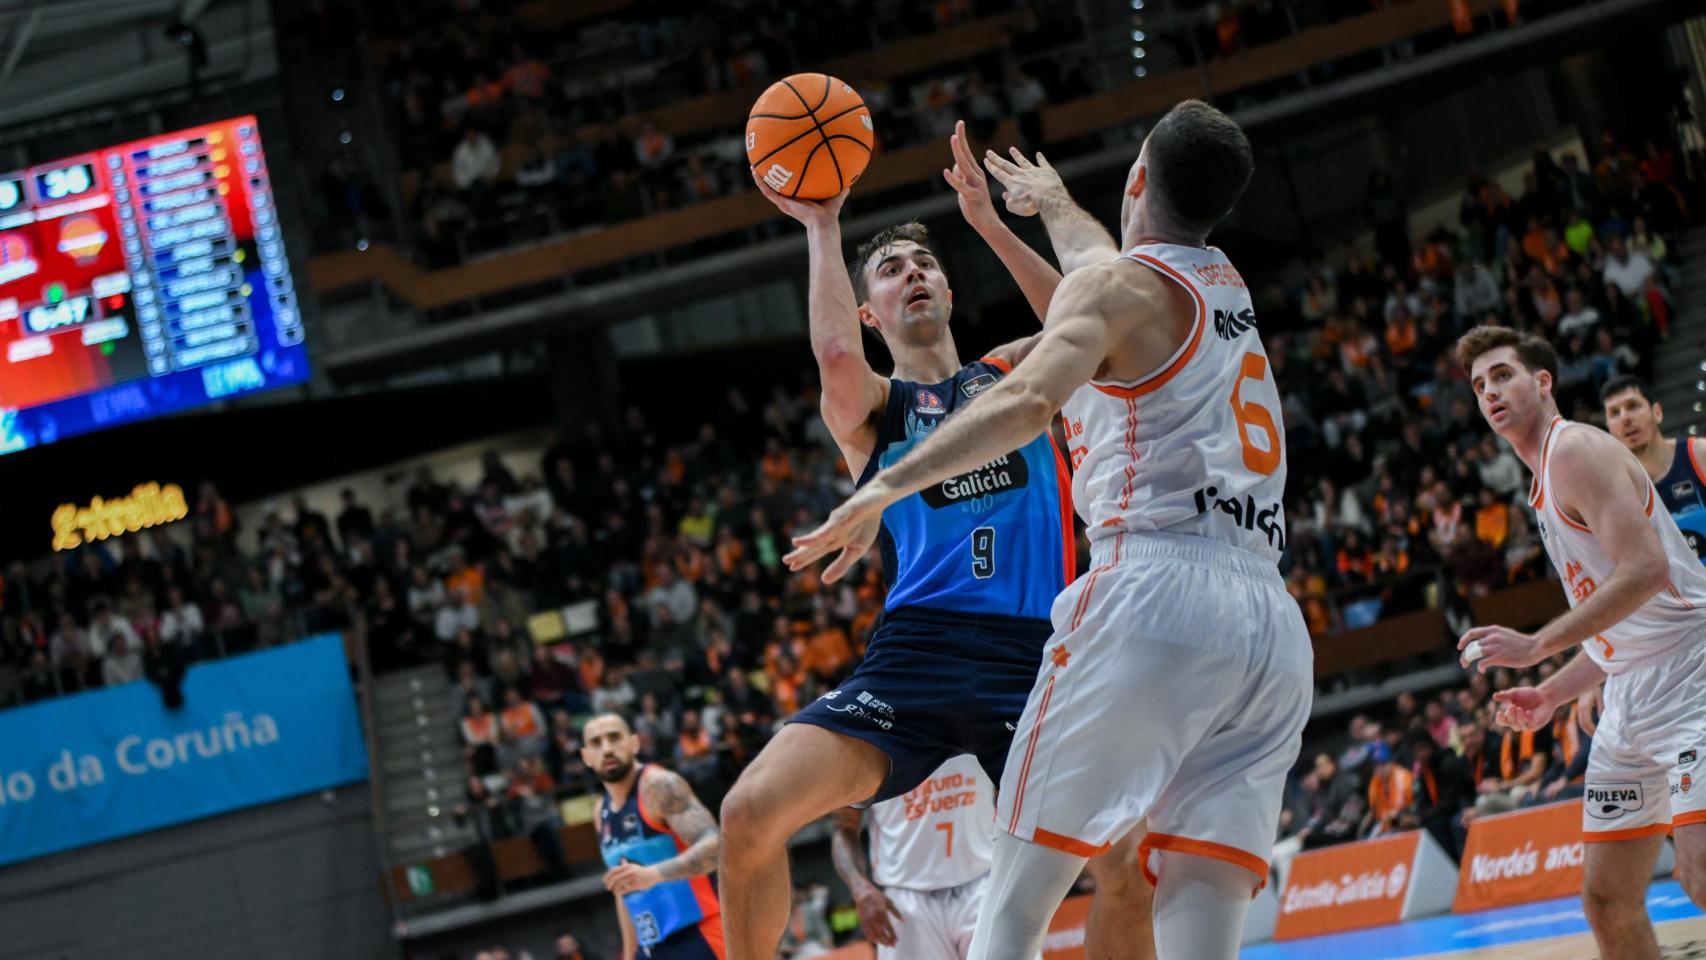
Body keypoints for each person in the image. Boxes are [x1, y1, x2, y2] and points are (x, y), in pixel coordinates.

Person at [785, 100, 1310, 960]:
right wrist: (1039, 208)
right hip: (1268, 624)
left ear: (1137, 181)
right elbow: (1095, 268)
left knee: (1018, 896)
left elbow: (1032, 398)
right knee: (1200, 910)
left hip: (1154, 589)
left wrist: (881, 488)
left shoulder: (1101, 301)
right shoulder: (1220, 283)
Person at [723, 121, 1154, 960]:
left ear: (949, 291)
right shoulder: (876, 413)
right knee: (746, 813)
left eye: (925, 263)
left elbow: (1092, 313)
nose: (913, 273)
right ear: (871, 312)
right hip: (915, 657)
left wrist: (994, 225)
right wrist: (821, 224)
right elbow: (834, 354)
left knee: (1130, 868)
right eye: (891, 271)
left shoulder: (1014, 377)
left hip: (1036, 657)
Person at [1452, 326, 1706, 958]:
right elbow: (1619, 626)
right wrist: (1552, 692)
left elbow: (1647, 572)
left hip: (1693, 672)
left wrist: (1537, 644)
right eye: (1479, 384)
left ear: (1542, 382)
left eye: (1503, 375)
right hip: (1629, 693)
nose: (1490, 392)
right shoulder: (1540, 481)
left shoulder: (1575, 451)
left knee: (1701, 873)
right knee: (1606, 898)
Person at [830, 755, 1008, 960]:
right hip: (906, 903)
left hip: (984, 886)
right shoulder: (873, 744)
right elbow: (844, 828)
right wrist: (859, 887)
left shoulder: (982, 726)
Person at [584, 713, 723, 960]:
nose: (607, 749)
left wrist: (652, 875)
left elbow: (715, 846)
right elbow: (623, 891)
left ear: (634, 743)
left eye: (614, 738)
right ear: (586, 757)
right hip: (650, 947)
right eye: (596, 742)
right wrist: (629, 954)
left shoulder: (659, 785)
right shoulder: (600, 811)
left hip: (699, 934)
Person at [1602, 375, 1706, 563]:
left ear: (1657, 412)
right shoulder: (1613, 491)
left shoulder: (1700, 454)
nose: (1625, 418)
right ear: (1609, 430)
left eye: (1633, 406)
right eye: (1614, 413)